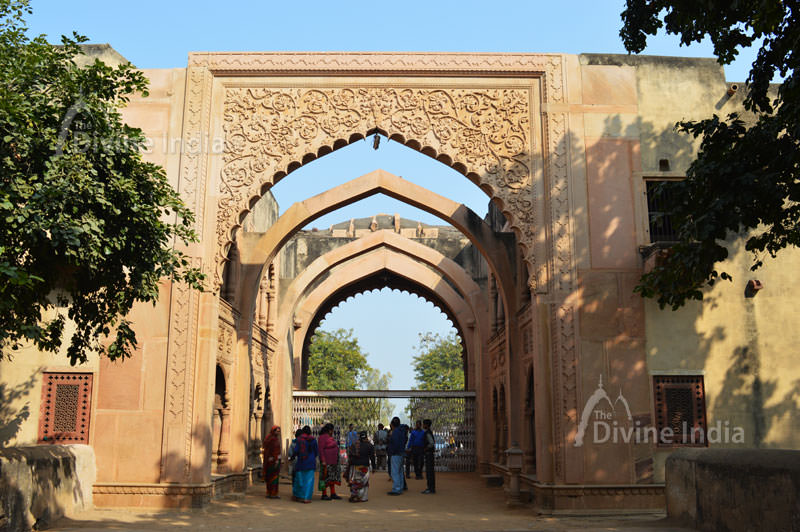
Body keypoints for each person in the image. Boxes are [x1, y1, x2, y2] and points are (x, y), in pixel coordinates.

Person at [346, 430, 376, 502]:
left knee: (355, 481)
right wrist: (374, 467)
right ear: (366, 437)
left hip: (355, 466)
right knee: (364, 482)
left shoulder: (354, 445)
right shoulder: (370, 446)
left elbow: (350, 455)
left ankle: (354, 495)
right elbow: (372, 457)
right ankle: (363, 497)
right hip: (364, 466)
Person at [292, 425, 318, 503]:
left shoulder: (299, 440)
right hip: (310, 463)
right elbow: (316, 452)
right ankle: (306, 498)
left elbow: (296, 451)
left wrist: (293, 456)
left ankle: (298, 496)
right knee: (309, 482)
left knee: (299, 480)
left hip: (301, 462)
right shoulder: (313, 440)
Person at [317, 423, 342, 500]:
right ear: (329, 430)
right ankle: (324, 494)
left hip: (333, 461)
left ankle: (333, 493)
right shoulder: (322, 438)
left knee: (332, 477)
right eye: (332, 430)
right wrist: (323, 460)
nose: (333, 432)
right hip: (326, 462)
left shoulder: (330, 437)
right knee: (325, 477)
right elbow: (321, 450)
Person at [386, 417, 408, 495]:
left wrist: (392, 451)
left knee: (395, 472)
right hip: (401, 453)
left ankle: (396, 489)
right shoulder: (402, 431)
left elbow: (395, 443)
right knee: (400, 472)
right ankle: (400, 487)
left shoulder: (395, 432)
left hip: (395, 453)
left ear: (392, 425)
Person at [262, 426, 281, 499]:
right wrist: (276, 460)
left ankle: (269, 492)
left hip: (268, 461)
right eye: (277, 431)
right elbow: (275, 451)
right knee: (274, 477)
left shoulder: (268, 438)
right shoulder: (273, 440)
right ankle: (273, 493)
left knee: (269, 477)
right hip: (273, 461)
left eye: (279, 431)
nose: (278, 433)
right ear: (274, 431)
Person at [422, 419, 436, 494]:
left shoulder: (427, 433)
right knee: (430, 472)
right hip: (429, 454)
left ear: (426, 425)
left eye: (423, 424)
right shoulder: (428, 432)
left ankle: (430, 488)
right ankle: (431, 488)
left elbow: (431, 443)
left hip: (429, 454)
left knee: (429, 472)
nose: (423, 425)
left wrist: (426, 448)